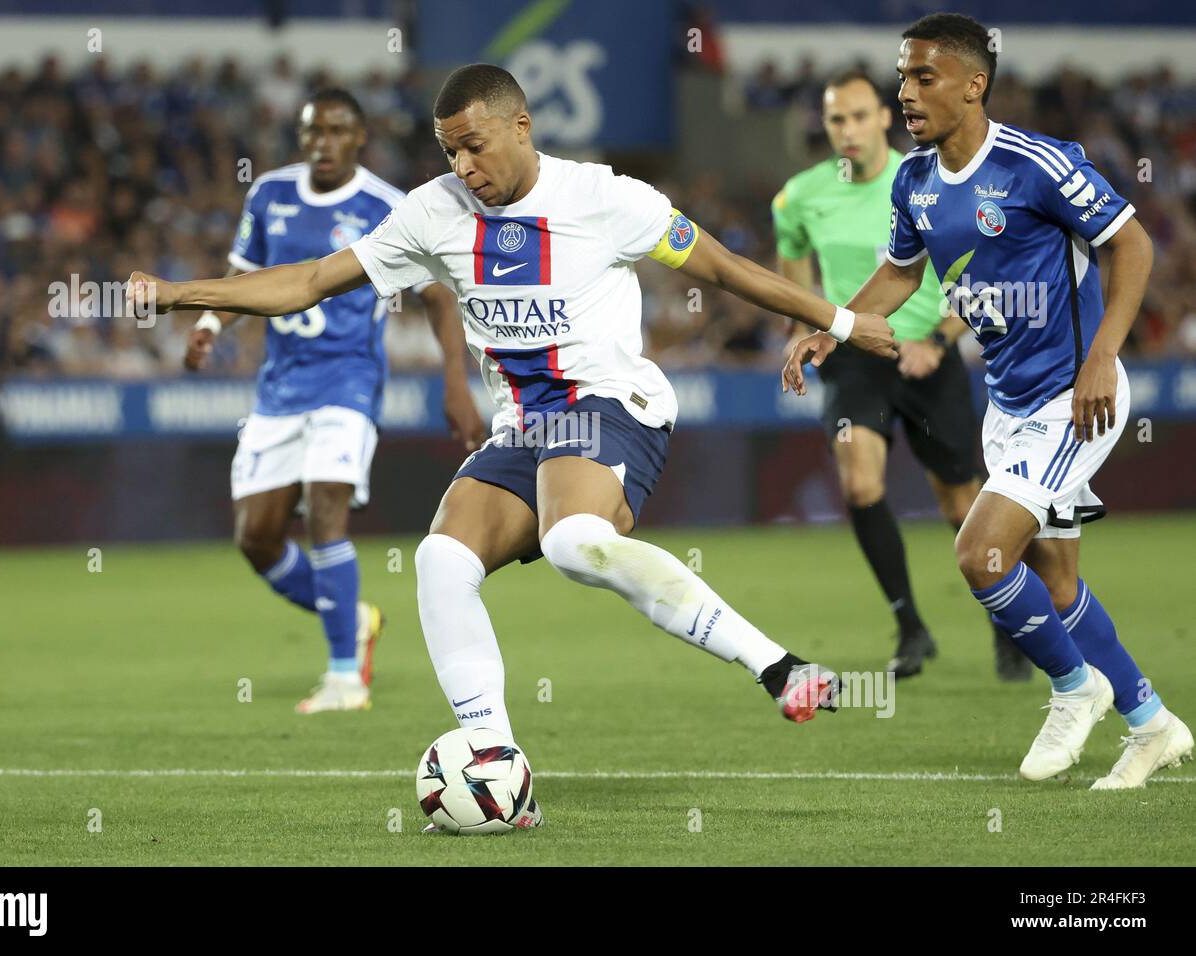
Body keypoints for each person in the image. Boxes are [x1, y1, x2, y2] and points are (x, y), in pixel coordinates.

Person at [130, 64, 898, 828]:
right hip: (523, 427)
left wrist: (838, 321)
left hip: (609, 405)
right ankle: (495, 759)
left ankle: (776, 666)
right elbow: (307, 282)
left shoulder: (606, 199)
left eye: (474, 146)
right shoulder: (433, 213)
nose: (464, 167)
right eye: (448, 152)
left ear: (520, 127)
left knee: (572, 543)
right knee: (440, 558)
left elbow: (724, 268)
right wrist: (178, 294)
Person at [784, 13, 1191, 788]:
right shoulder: (915, 179)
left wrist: (1104, 354)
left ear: (974, 86)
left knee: (980, 553)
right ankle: (1153, 724)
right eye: (902, 76)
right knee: (1056, 579)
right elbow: (904, 272)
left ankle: (1076, 690)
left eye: (922, 77)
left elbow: (1131, 242)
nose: (905, 92)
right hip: (1007, 403)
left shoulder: (1038, 164)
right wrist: (830, 328)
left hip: (1075, 400)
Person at [184, 88, 483, 714]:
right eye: (312, 132)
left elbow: (435, 295)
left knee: (326, 513)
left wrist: (456, 381)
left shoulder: (386, 205)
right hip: (278, 389)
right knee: (256, 540)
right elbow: (245, 282)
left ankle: (344, 678)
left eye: (337, 131)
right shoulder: (268, 194)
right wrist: (212, 325)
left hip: (348, 383)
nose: (323, 143)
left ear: (359, 137)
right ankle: (356, 617)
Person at [773, 67, 1028, 681]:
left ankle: (1009, 626)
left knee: (961, 502)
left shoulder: (924, 181)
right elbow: (792, 268)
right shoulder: (800, 196)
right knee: (859, 483)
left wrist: (940, 338)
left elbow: (977, 272)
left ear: (884, 118)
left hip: (930, 354)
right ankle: (910, 625)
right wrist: (804, 325)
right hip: (856, 357)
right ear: (826, 128)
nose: (848, 130)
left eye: (860, 116)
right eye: (837, 120)